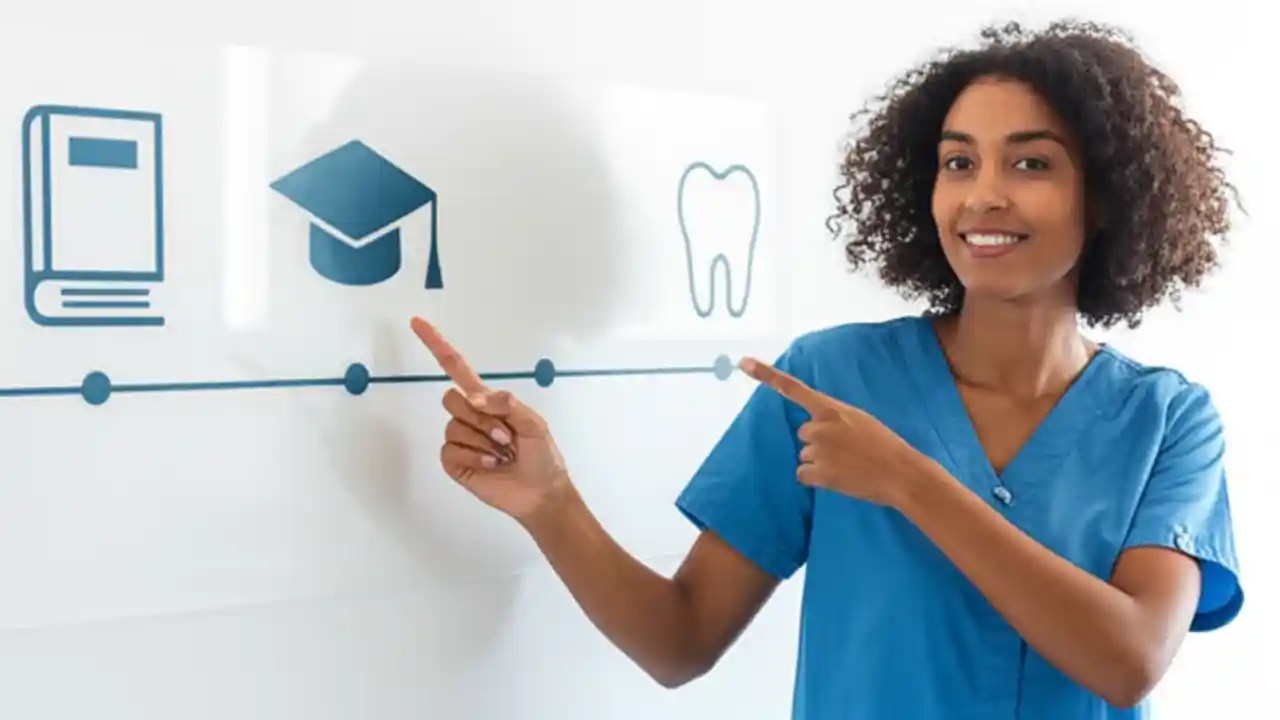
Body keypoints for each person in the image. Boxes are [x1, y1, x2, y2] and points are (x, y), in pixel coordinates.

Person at [409, 18, 1244, 719]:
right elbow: (680, 641)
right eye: (959, 162)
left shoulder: (1168, 420)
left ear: (1105, 199)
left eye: (1031, 163)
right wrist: (551, 505)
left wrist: (910, 483)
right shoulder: (830, 380)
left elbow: (1130, 657)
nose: (983, 195)